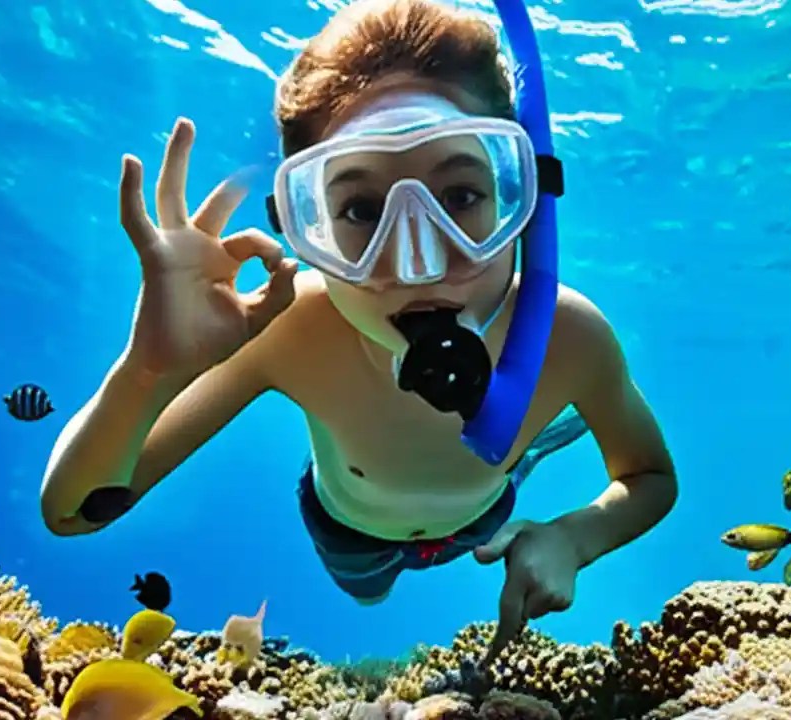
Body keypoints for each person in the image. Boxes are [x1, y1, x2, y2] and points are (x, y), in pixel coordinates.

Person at [40, 0, 677, 662]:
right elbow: (72, 514)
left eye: (460, 197)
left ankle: (533, 442)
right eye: (362, 211)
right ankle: (528, 444)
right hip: (348, 532)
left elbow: (651, 476)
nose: (418, 262)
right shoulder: (287, 327)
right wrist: (148, 372)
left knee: (508, 472)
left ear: (522, 196)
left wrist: (574, 537)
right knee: (366, 595)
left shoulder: (571, 338)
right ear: (307, 229)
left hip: (484, 519)